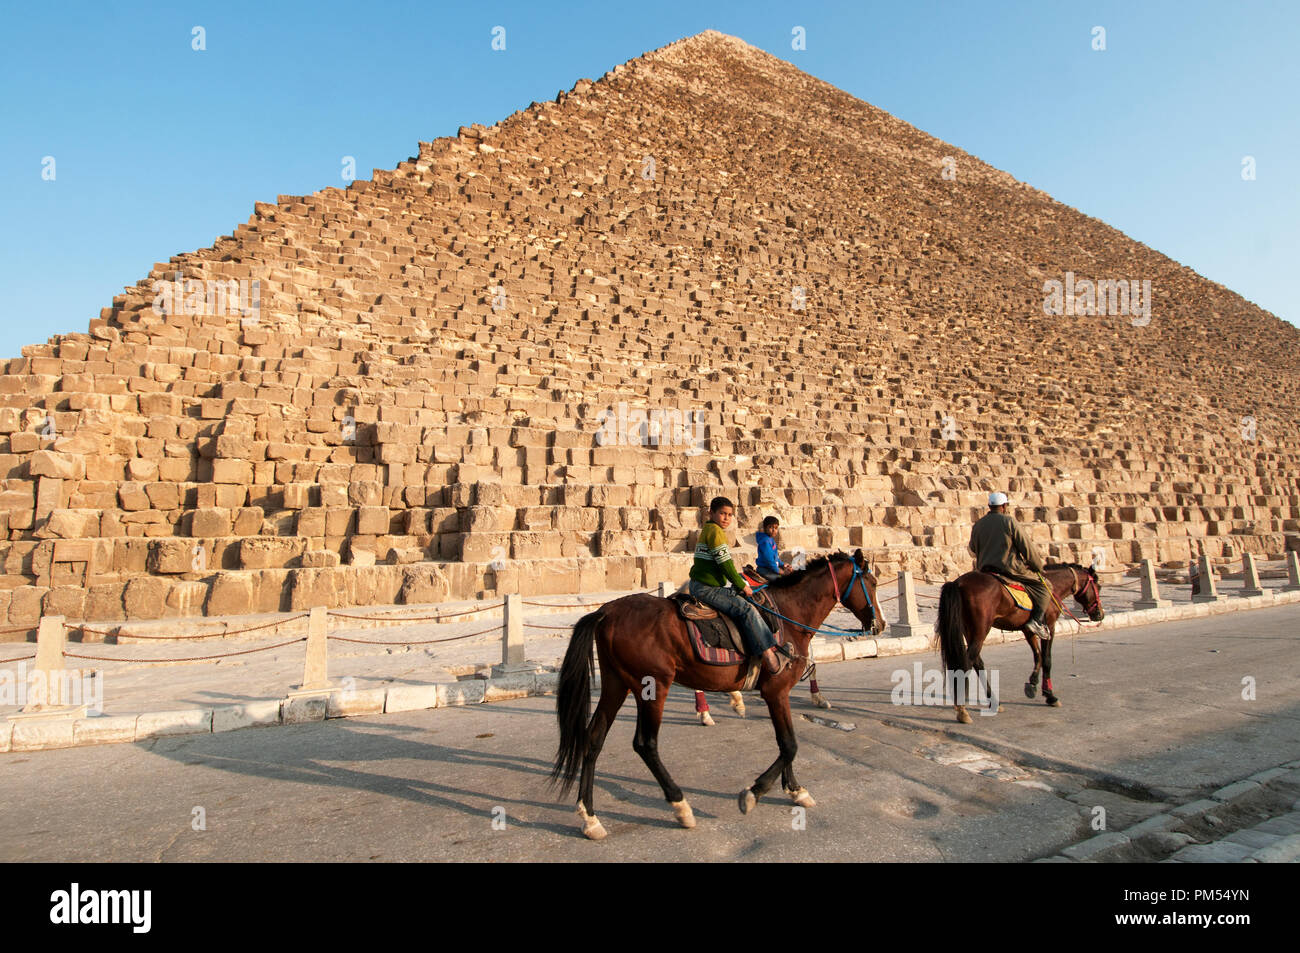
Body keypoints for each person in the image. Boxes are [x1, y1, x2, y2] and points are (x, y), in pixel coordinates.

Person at [689, 497, 796, 674]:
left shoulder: (708, 528)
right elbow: (725, 564)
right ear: (711, 513)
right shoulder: (715, 532)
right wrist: (742, 585)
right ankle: (770, 657)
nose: (726, 518)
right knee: (746, 609)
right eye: (722, 513)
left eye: (730, 515)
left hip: (701, 584)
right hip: (707, 588)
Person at [969, 491, 1052, 640]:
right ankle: (1036, 622)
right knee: (1045, 587)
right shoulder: (1009, 522)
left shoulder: (978, 525)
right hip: (1010, 569)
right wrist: (1037, 566)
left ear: (989, 506)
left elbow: (973, 548)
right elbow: (1026, 547)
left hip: (984, 569)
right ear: (1004, 506)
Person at [755, 516, 791, 582]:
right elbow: (770, 562)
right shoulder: (765, 541)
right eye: (770, 527)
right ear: (765, 528)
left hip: (770, 568)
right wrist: (783, 572)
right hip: (765, 570)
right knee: (783, 581)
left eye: (776, 528)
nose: (774, 530)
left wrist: (783, 565)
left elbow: (775, 558)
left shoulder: (770, 540)